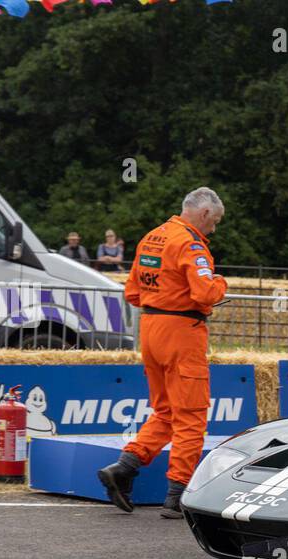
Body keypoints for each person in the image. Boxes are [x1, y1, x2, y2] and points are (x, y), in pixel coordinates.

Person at [97, 187, 229, 518]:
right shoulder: (191, 243)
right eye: (214, 222)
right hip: (182, 334)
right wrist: (221, 285)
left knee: (165, 411)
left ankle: (124, 467)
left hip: (151, 331)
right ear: (204, 214)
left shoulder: (152, 237)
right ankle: (177, 495)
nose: (214, 229)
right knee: (191, 415)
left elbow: (132, 293)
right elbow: (204, 293)